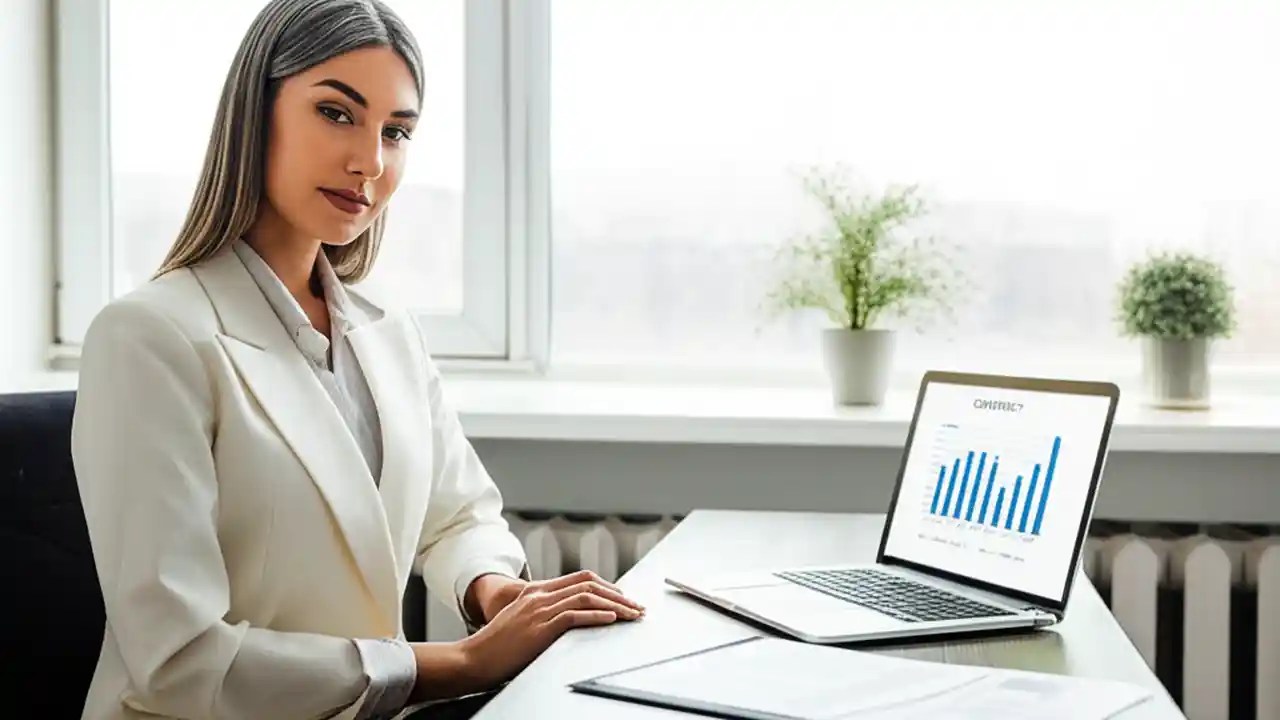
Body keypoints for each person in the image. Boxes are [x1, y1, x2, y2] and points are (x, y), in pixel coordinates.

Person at [71, 1, 643, 718]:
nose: (369, 161)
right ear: (257, 111)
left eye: (396, 131)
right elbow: (178, 660)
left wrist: (493, 591)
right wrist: (461, 663)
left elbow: (456, 513)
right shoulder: (147, 338)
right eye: (337, 113)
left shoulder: (386, 326)